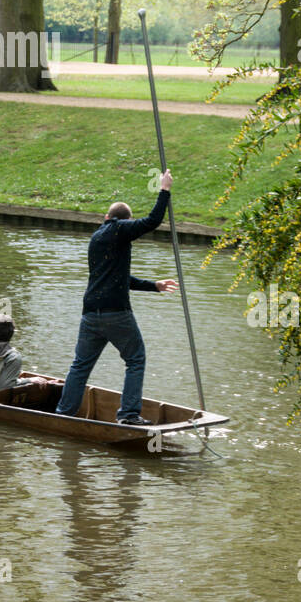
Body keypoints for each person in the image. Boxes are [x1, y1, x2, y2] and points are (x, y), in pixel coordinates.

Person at [56, 172, 178, 425]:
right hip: (115, 312)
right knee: (136, 359)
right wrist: (164, 190)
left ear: (105, 217)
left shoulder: (97, 237)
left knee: (80, 366)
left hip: (91, 313)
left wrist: (154, 286)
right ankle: (129, 415)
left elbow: (120, 278)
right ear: (124, 221)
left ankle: (63, 414)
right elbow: (153, 221)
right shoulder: (120, 230)